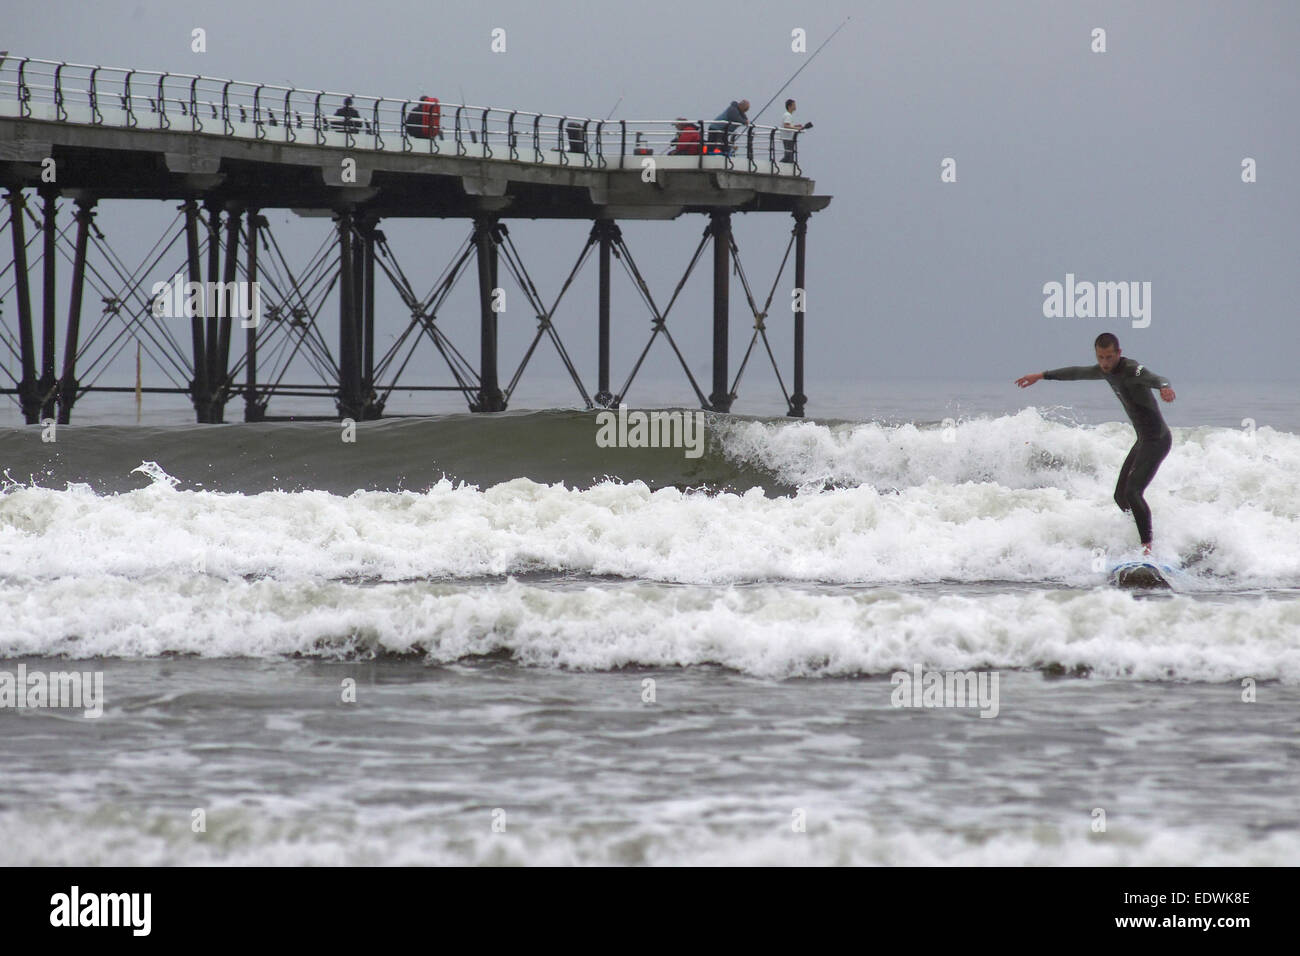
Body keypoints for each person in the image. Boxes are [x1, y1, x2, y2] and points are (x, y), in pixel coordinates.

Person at [1015, 332, 1176, 554]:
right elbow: (1075, 373)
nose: (1105, 363)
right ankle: (1142, 534)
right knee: (1120, 497)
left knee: (1133, 492)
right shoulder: (1103, 371)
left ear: (1119, 353)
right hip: (1143, 440)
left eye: (1109, 357)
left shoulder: (1132, 369)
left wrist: (1165, 387)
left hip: (1157, 440)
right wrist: (1041, 375)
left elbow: (1156, 378)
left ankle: (1148, 547)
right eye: (1100, 357)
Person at [780, 98, 807, 163]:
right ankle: (780, 165)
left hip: (787, 137)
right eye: (794, 105)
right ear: (789, 106)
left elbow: (788, 125)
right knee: (788, 155)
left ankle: (788, 163)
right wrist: (797, 128)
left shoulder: (787, 115)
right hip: (787, 138)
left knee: (789, 154)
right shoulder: (788, 115)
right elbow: (786, 126)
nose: (795, 106)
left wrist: (796, 126)